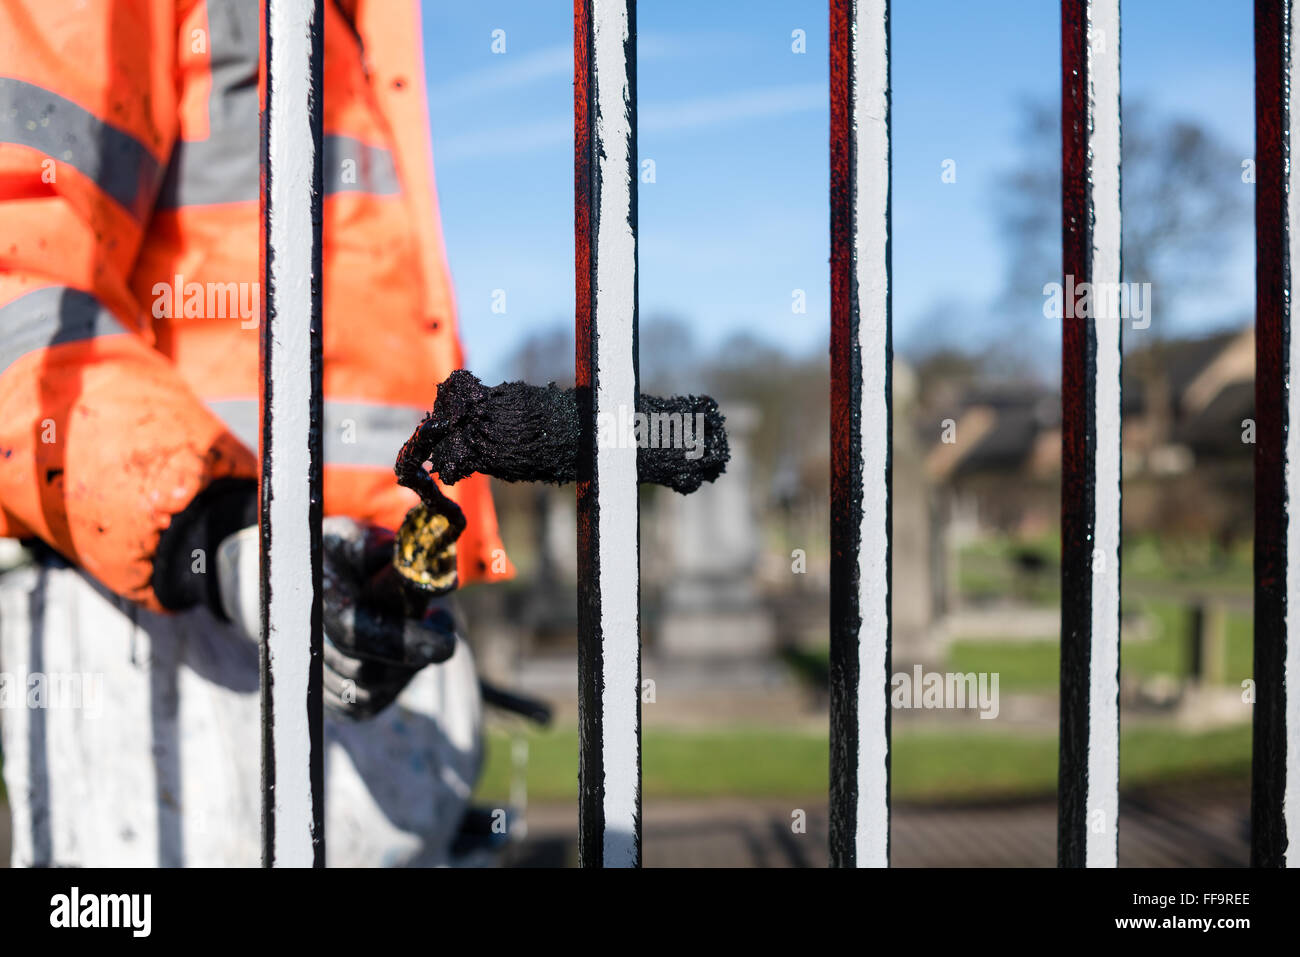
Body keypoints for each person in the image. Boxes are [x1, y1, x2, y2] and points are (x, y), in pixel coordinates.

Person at [0, 0, 512, 866]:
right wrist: (223, 534)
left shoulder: (364, 27)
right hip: (176, 631)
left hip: (369, 642)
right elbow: (23, 284)